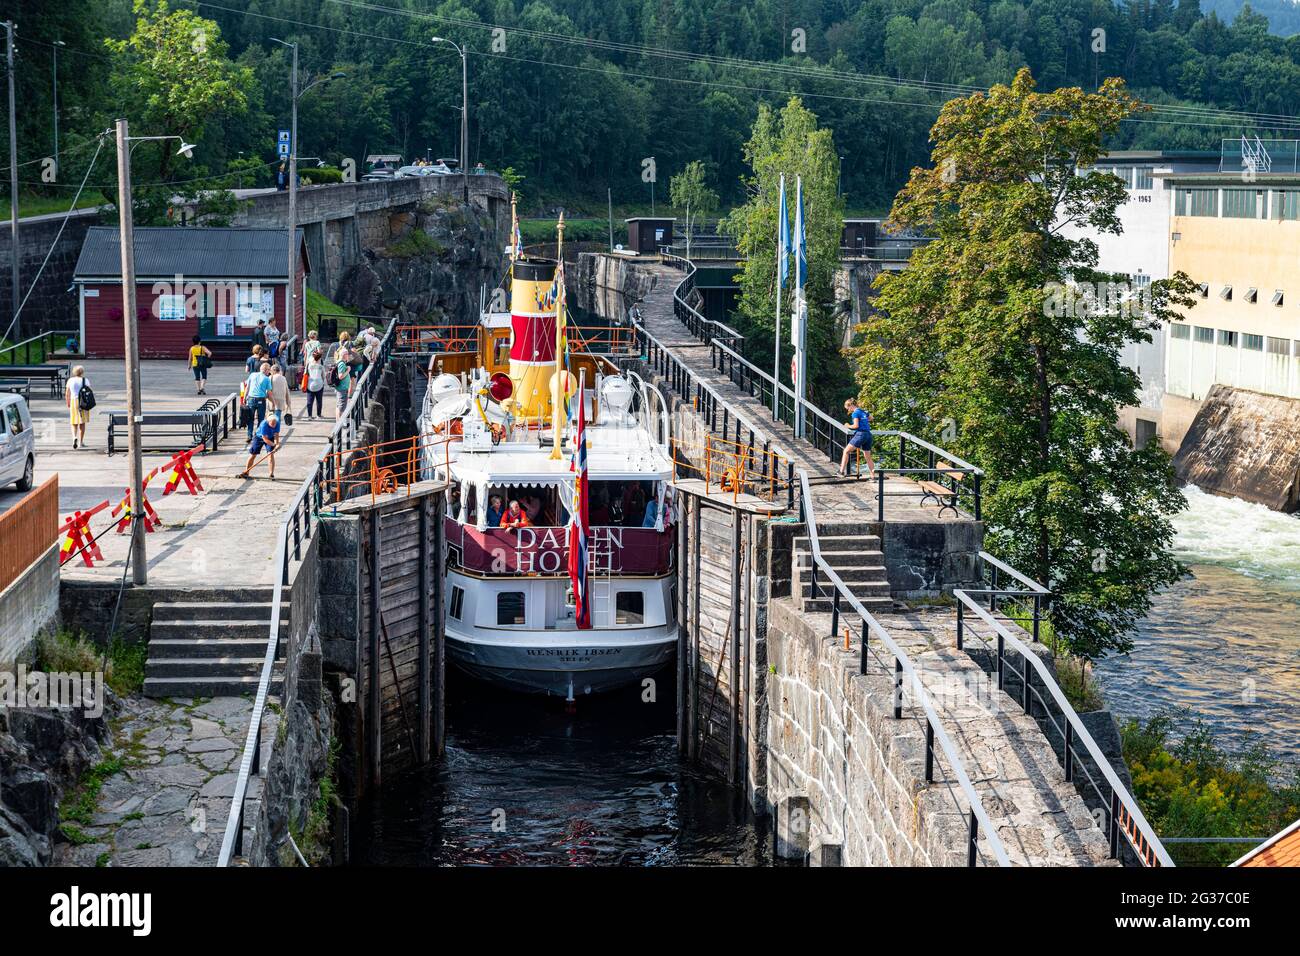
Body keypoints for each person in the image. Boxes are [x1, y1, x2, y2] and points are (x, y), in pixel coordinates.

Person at [839, 398, 875, 478]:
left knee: (846, 451)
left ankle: (841, 472)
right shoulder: (864, 411)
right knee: (868, 457)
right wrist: (864, 422)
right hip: (868, 435)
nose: (848, 410)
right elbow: (871, 418)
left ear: (851, 405)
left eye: (848, 408)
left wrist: (848, 425)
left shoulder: (855, 413)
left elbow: (856, 426)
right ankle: (873, 477)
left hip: (860, 434)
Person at [239, 411, 281, 480]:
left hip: (270, 437)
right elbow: (264, 439)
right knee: (253, 454)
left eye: (274, 424)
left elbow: (276, 435)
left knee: (270, 454)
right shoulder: (264, 424)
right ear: (268, 422)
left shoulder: (277, 423)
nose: (274, 425)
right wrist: (274, 444)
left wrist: (277, 444)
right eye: (272, 424)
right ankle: (246, 472)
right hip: (259, 437)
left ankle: (271, 474)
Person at [245, 361, 273, 439]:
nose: (269, 372)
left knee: (251, 418)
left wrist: (244, 397)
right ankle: (257, 434)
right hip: (261, 399)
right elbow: (269, 393)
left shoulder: (252, 375)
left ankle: (249, 435)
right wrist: (273, 402)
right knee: (261, 419)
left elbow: (247, 387)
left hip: (251, 399)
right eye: (269, 370)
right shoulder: (267, 379)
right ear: (266, 370)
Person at [65, 364, 88, 450]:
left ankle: (74, 437)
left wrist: (68, 402)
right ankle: (81, 442)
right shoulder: (85, 380)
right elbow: (89, 391)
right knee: (82, 423)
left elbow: (67, 393)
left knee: (74, 422)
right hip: (83, 402)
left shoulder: (70, 380)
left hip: (73, 401)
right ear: (82, 372)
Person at [333, 346, 354, 420]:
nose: (348, 355)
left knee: (339, 405)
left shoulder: (341, 362)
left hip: (341, 387)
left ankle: (338, 422)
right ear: (344, 355)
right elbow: (340, 376)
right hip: (342, 388)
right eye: (347, 354)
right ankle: (339, 424)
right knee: (341, 407)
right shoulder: (341, 364)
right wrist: (348, 370)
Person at [303, 350, 325, 419]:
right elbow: (323, 376)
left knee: (309, 401)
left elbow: (305, 373)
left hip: (310, 385)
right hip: (319, 384)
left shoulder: (309, 365)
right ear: (319, 358)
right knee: (319, 401)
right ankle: (318, 415)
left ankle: (309, 415)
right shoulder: (321, 366)